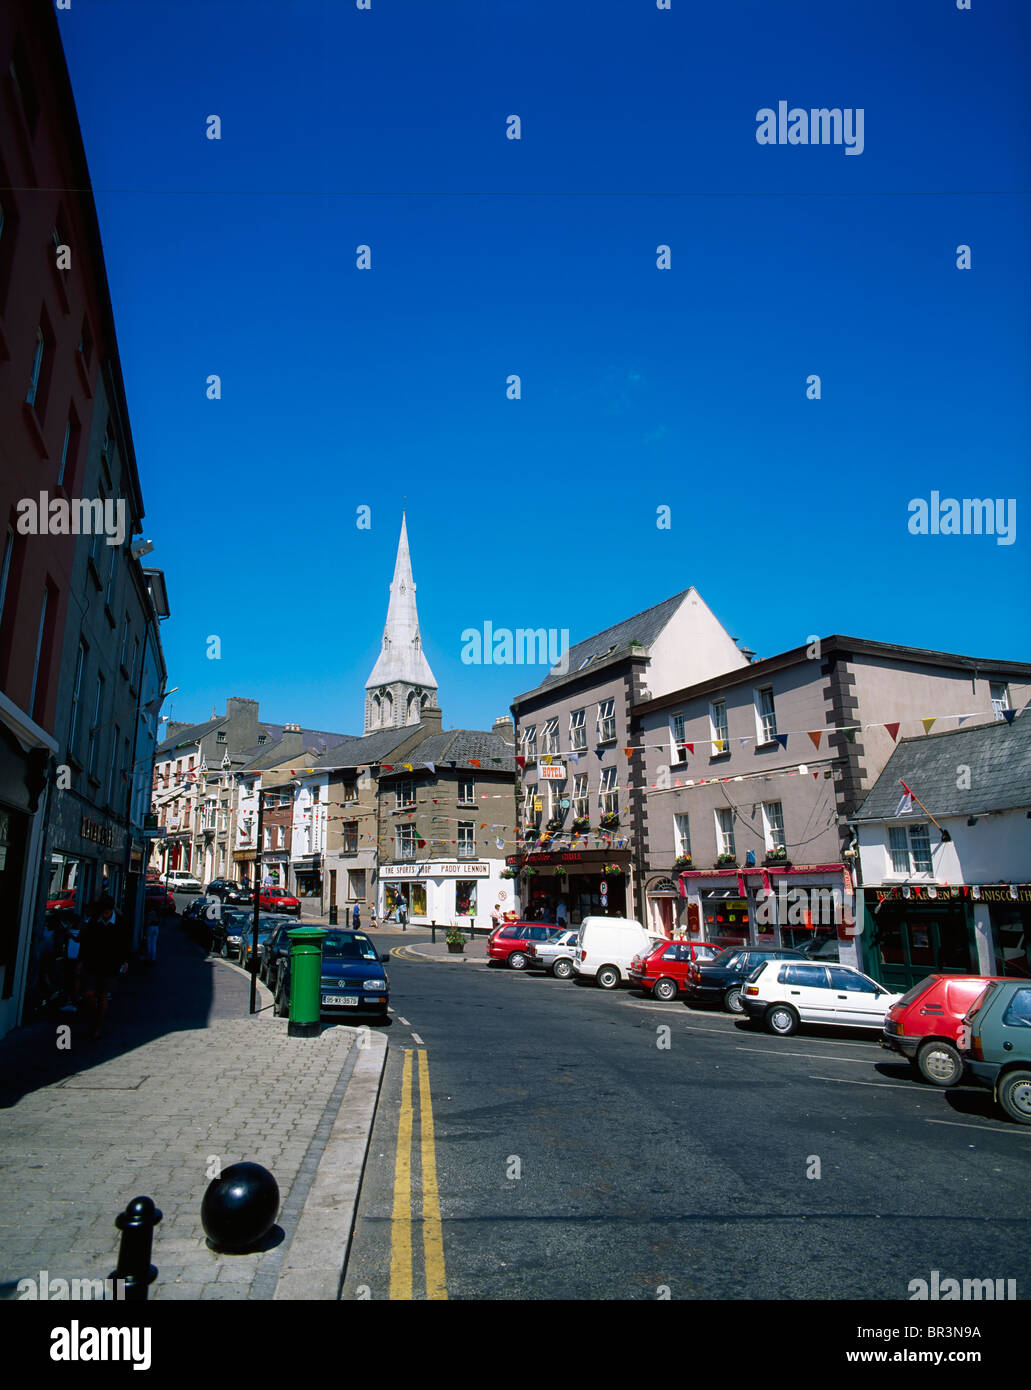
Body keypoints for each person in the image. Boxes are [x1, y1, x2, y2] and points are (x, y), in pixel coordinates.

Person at [79, 895, 132, 1040]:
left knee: (103, 995)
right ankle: (93, 1016)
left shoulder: (120, 923)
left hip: (111, 964)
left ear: (111, 911)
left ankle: (98, 1027)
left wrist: (125, 961)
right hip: (93, 962)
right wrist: (81, 960)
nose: (105, 915)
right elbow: (86, 941)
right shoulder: (95, 921)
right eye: (103, 912)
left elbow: (125, 943)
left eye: (107, 912)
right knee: (88, 993)